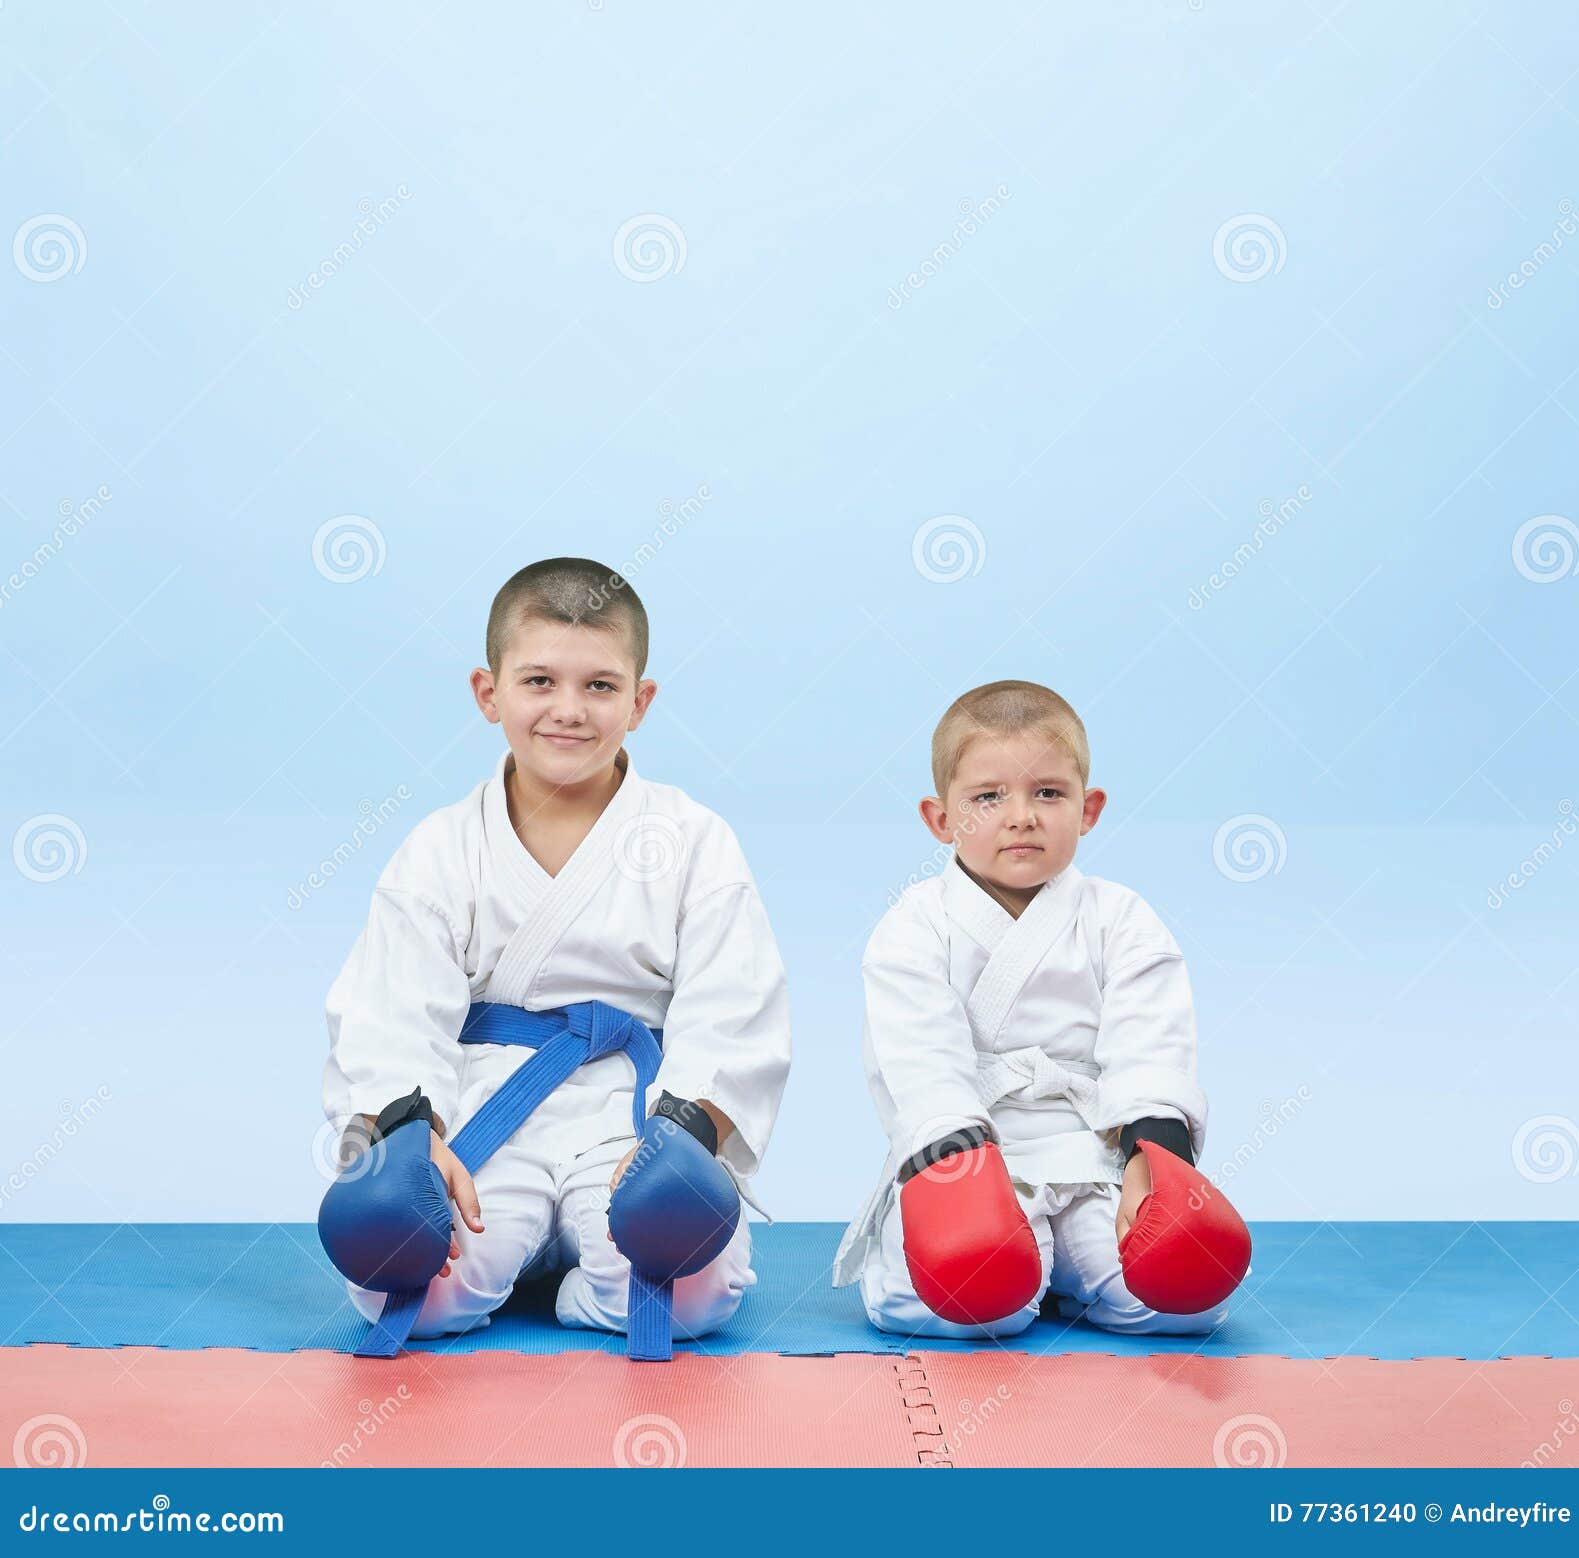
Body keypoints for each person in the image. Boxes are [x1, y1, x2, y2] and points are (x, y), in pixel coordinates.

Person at [321, 557, 791, 1346]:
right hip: (484, 1106)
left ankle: (571, 1290)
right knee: (406, 1293)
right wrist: (410, 1133)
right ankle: (522, 1257)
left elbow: (733, 1004)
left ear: (639, 702)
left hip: (630, 1115)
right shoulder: (441, 847)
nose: (568, 710)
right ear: (489, 692)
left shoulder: (691, 839)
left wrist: (681, 1135)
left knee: (696, 1297)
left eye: (600, 686)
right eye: (539, 681)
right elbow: (391, 1006)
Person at [834, 679, 1232, 1338]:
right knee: (968, 1306)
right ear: (941, 819)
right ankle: (981, 1266)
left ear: (1088, 808)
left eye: (1048, 792)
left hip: (1093, 1155)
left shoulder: (1121, 917)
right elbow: (920, 1059)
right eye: (988, 797)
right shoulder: (915, 925)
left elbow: (1151, 1043)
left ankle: (1057, 1272)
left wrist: (1153, 1160)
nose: (1021, 816)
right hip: (969, 1159)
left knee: (1178, 1299)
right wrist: (955, 1173)